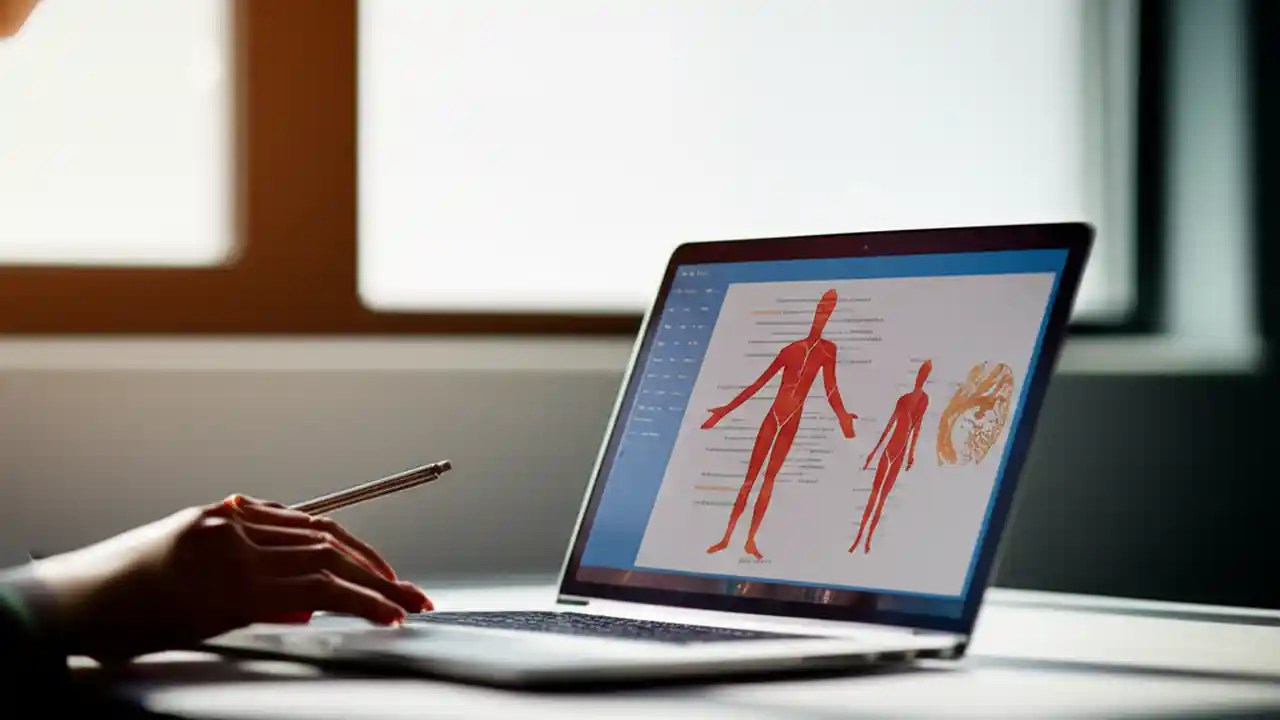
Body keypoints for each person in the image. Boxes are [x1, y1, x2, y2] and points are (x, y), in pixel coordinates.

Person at [701, 289, 858, 560]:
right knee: (750, 478)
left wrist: (842, 414)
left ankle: (749, 540)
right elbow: (758, 384)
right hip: (774, 416)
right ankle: (727, 537)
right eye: (822, 307)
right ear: (816, 310)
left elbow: (830, 388)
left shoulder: (828, 351)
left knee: (769, 480)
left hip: (792, 419)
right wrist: (724, 411)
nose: (824, 314)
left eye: (829, 309)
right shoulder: (790, 350)